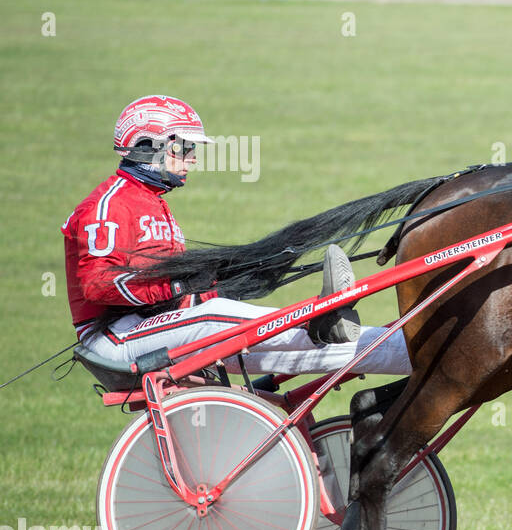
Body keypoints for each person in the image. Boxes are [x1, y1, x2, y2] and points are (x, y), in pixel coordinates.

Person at [63, 95, 411, 377]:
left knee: (298, 352)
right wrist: (179, 286)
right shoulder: (108, 205)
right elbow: (98, 285)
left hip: (149, 330)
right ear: (146, 146)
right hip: (114, 340)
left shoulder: (154, 205)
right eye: (183, 148)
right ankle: (313, 320)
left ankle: (407, 351)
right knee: (214, 315)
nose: (192, 159)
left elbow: (171, 299)